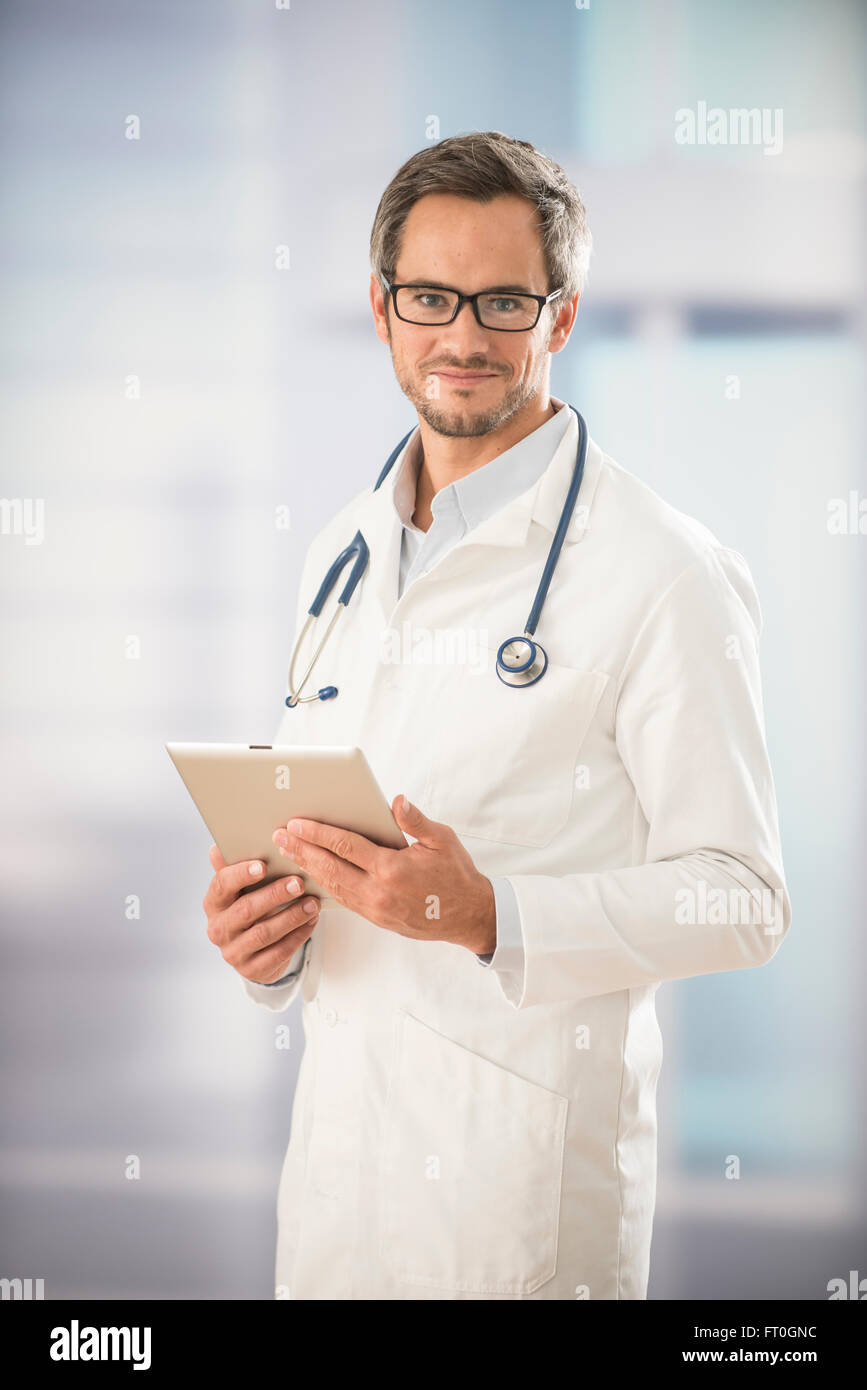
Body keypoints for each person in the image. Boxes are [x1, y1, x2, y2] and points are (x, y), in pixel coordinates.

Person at [201, 131, 791, 1300]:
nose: (463, 337)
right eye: (430, 297)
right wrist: (265, 937)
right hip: (334, 1195)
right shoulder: (341, 555)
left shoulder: (662, 570)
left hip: (515, 1208)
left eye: (504, 301)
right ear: (381, 308)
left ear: (559, 317)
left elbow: (744, 896)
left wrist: (493, 915)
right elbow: (338, 864)